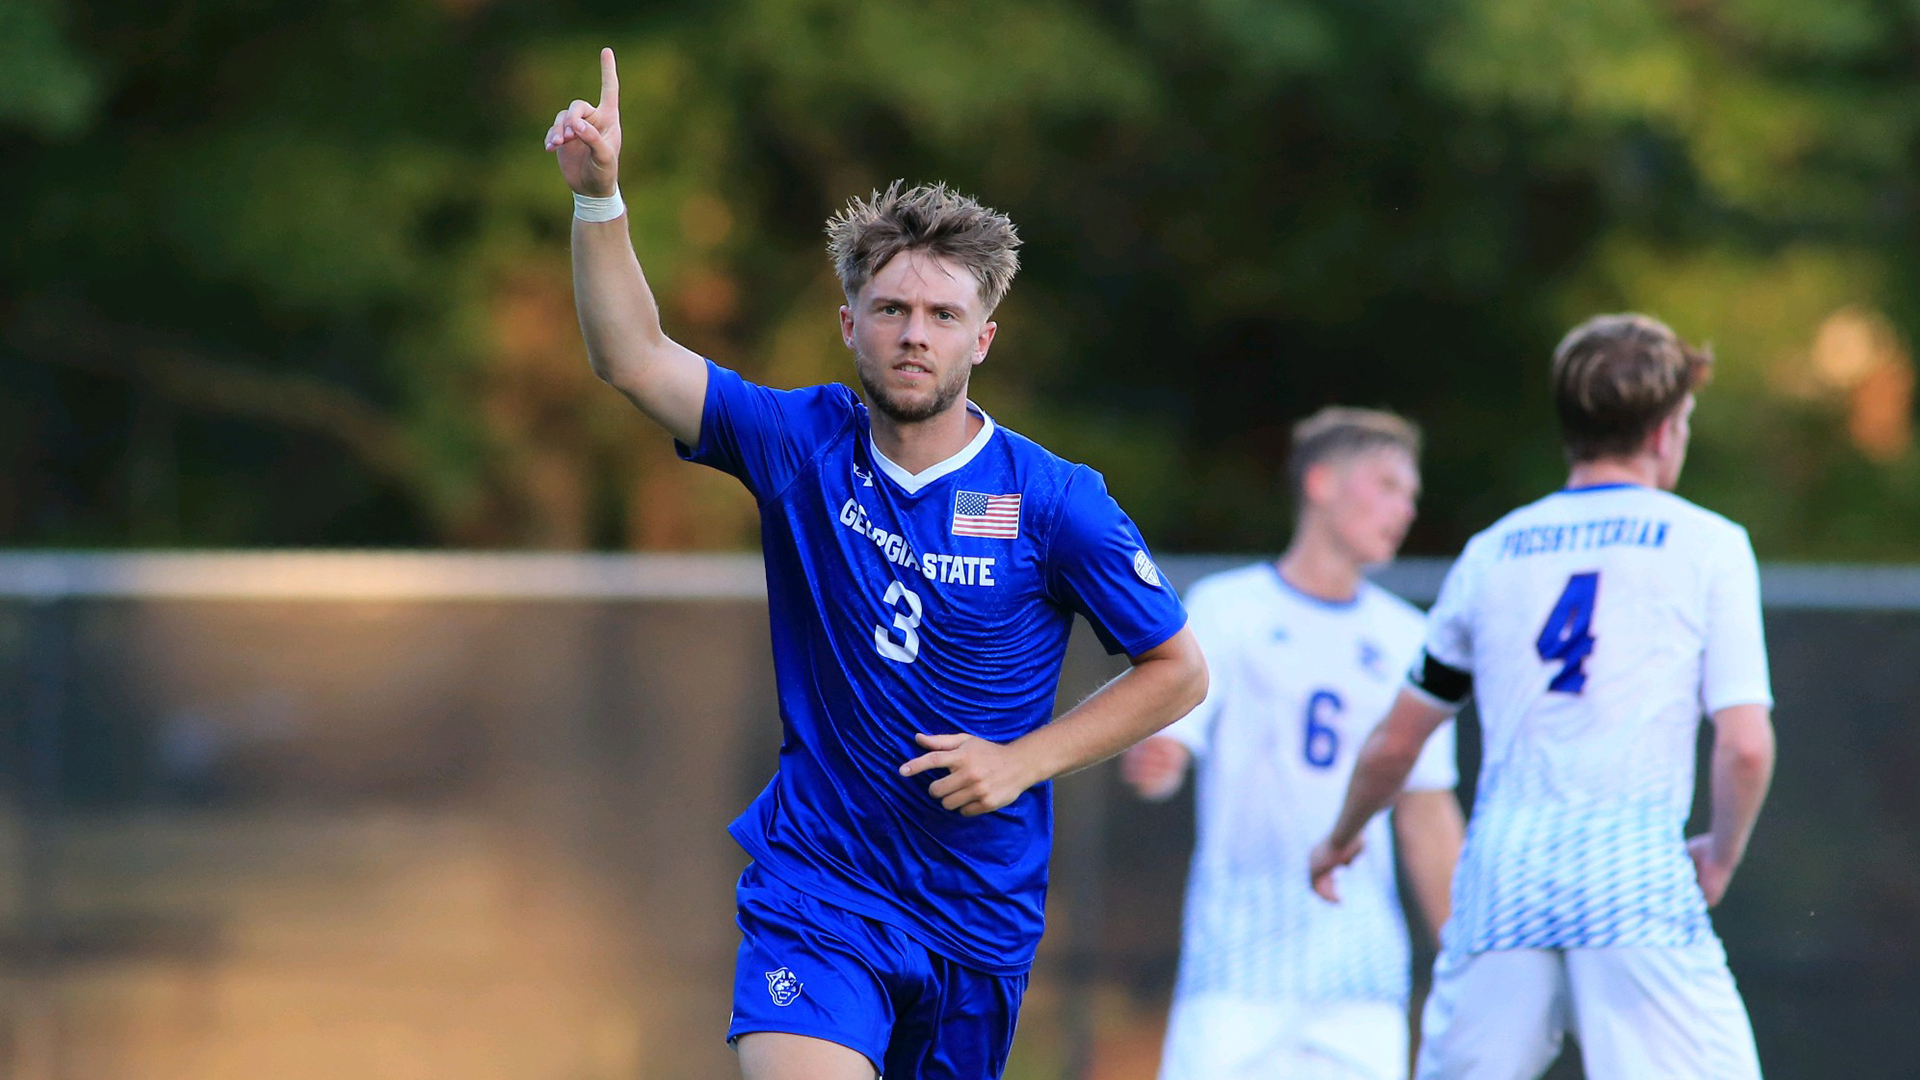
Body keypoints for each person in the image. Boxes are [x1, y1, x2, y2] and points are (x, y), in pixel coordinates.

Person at [544, 49, 1209, 1080]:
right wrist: (599, 201)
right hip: (820, 891)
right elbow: (631, 356)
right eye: (893, 311)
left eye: (943, 316)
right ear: (850, 324)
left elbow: (1179, 671)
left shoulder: (1055, 499)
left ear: (983, 339)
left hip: (977, 919)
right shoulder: (799, 443)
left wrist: (1023, 760)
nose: (915, 336)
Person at [1309, 314, 1777, 1080]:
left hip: (1503, 881)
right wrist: (1720, 855)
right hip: (1633, 877)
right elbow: (1746, 745)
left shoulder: (1493, 552)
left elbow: (1397, 742)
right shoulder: (1708, 544)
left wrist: (1340, 836)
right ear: (1664, 432)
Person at [1123, 407, 1465, 1080]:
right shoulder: (1229, 608)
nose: (1405, 508)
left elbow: (1427, 811)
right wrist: (1158, 763)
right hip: (1236, 967)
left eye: (1412, 495)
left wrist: (1466, 952)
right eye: (1388, 485)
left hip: (1360, 977)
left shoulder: (1407, 638)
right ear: (1321, 484)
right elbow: (1170, 741)